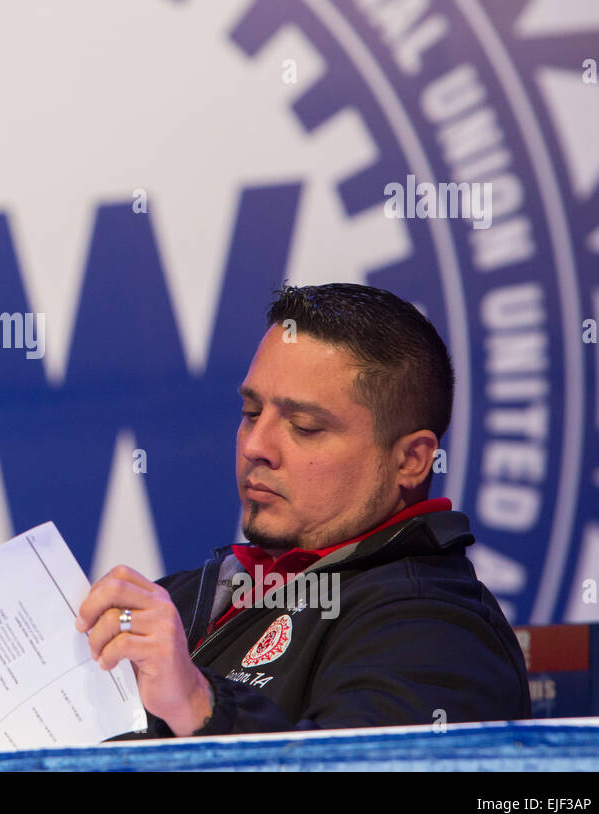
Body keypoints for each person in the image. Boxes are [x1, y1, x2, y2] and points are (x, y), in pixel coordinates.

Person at [79, 283, 531, 737]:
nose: (256, 446)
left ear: (410, 460)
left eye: (304, 426)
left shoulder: (440, 631)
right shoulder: (182, 599)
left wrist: (199, 703)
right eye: (251, 412)